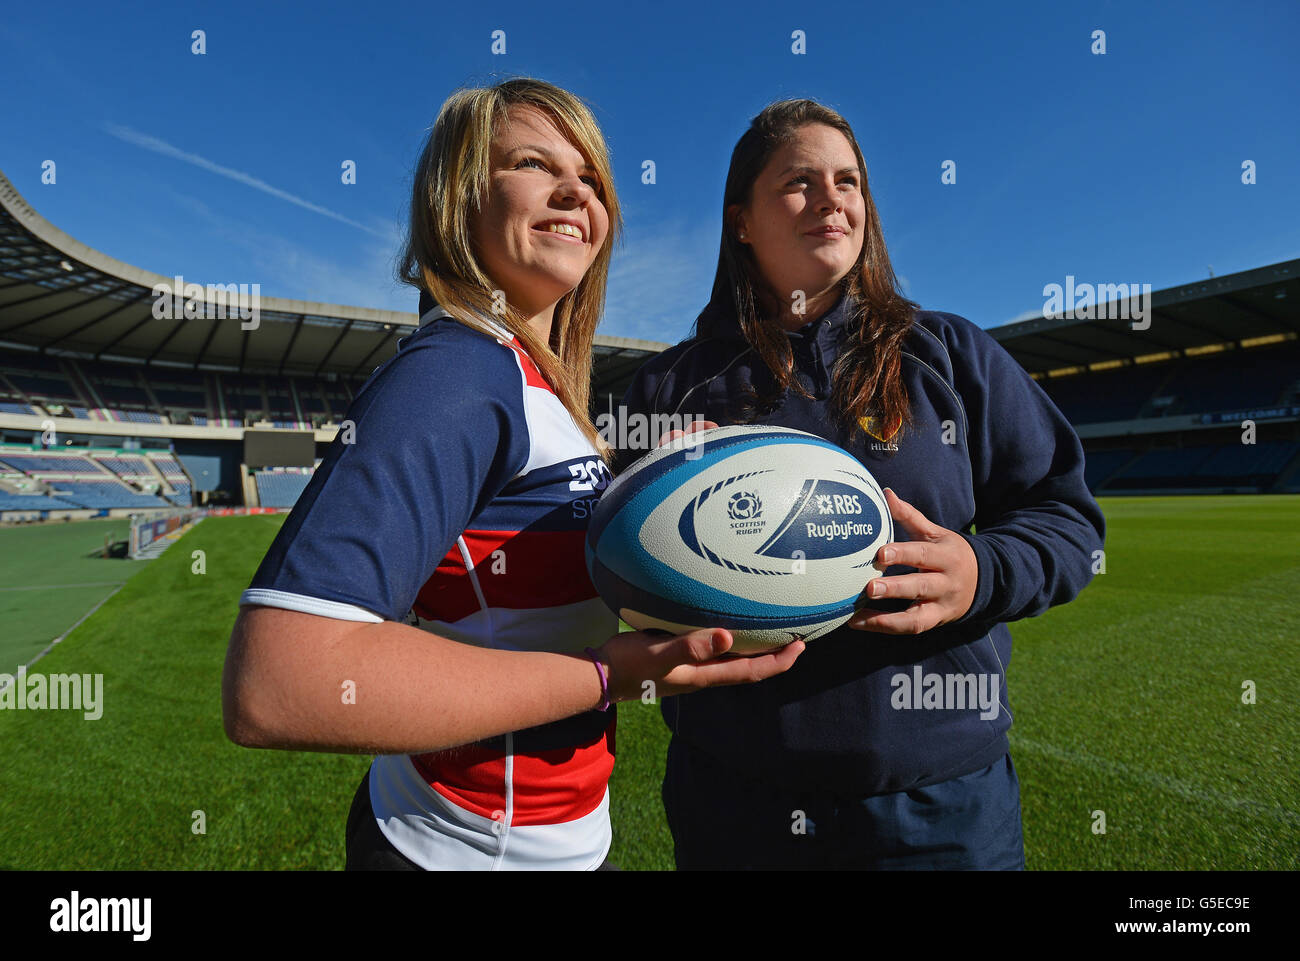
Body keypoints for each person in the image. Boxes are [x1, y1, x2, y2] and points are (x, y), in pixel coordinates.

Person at [220, 79, 804, 871]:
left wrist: (653, 478)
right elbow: (280, 678)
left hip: (549, 835)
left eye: (591, 178)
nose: (575, 190)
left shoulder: (533, 382)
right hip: (465, 849)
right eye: (534, 163)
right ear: (457, 199)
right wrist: (607, 674)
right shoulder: (456, 372)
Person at [614, 99, 1107, 869]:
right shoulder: (666, 389)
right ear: (741, 220)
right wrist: (651, 499)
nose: (832, 198)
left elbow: (1068, 518)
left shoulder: (949, 354)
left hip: (940, 811)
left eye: (848, 180)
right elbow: (587, 557)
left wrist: (982, 571)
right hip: (738, 811)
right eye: (799, 182)